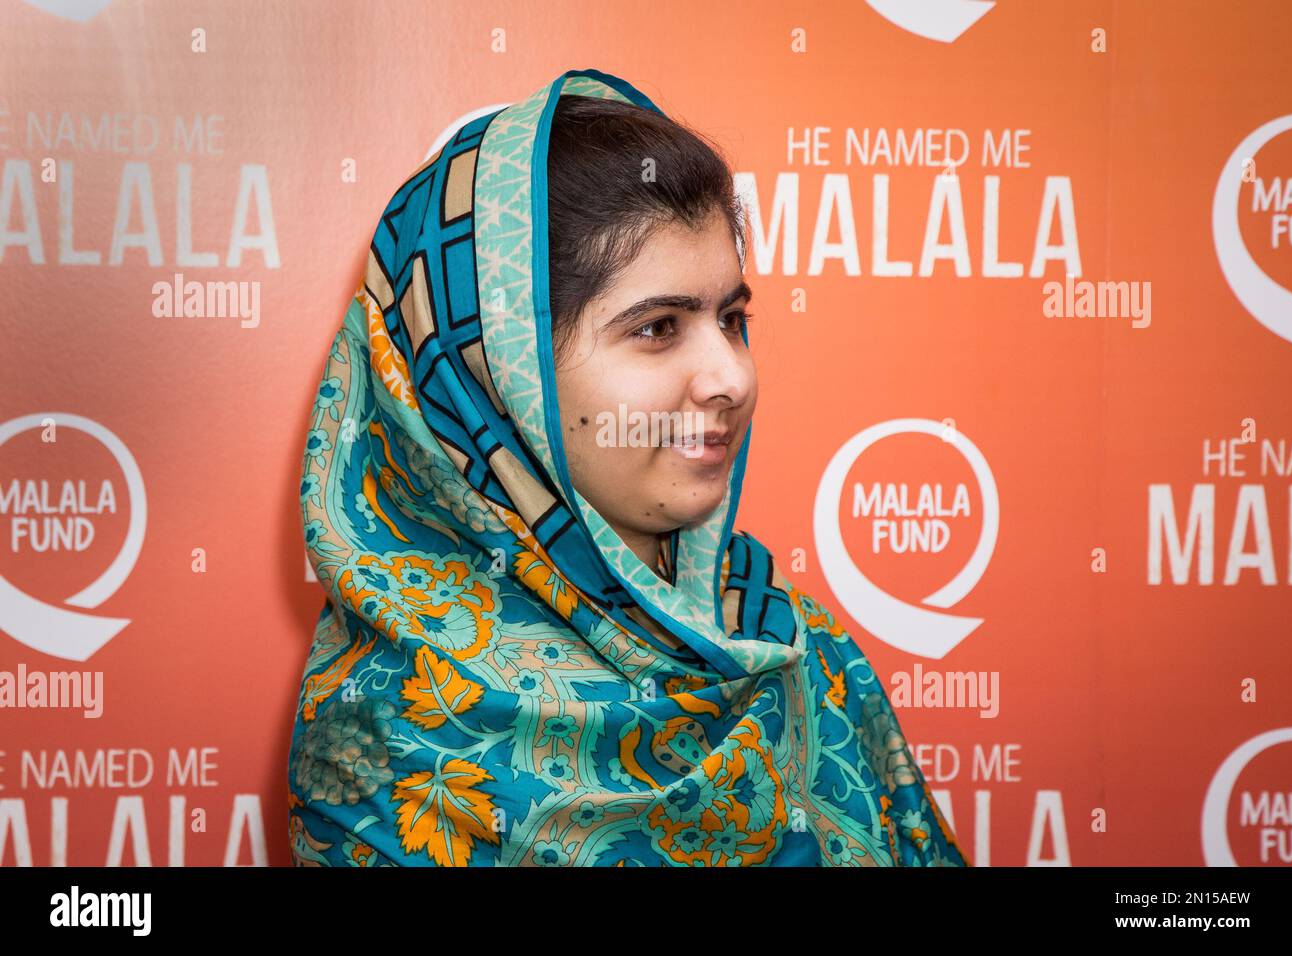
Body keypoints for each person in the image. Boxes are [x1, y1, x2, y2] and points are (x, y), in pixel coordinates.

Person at [286, 67, 968, 868]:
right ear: (500, 379)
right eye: (658, 329)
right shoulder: (386, 731)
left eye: (732, 318)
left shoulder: (790, 645)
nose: (733, 377)